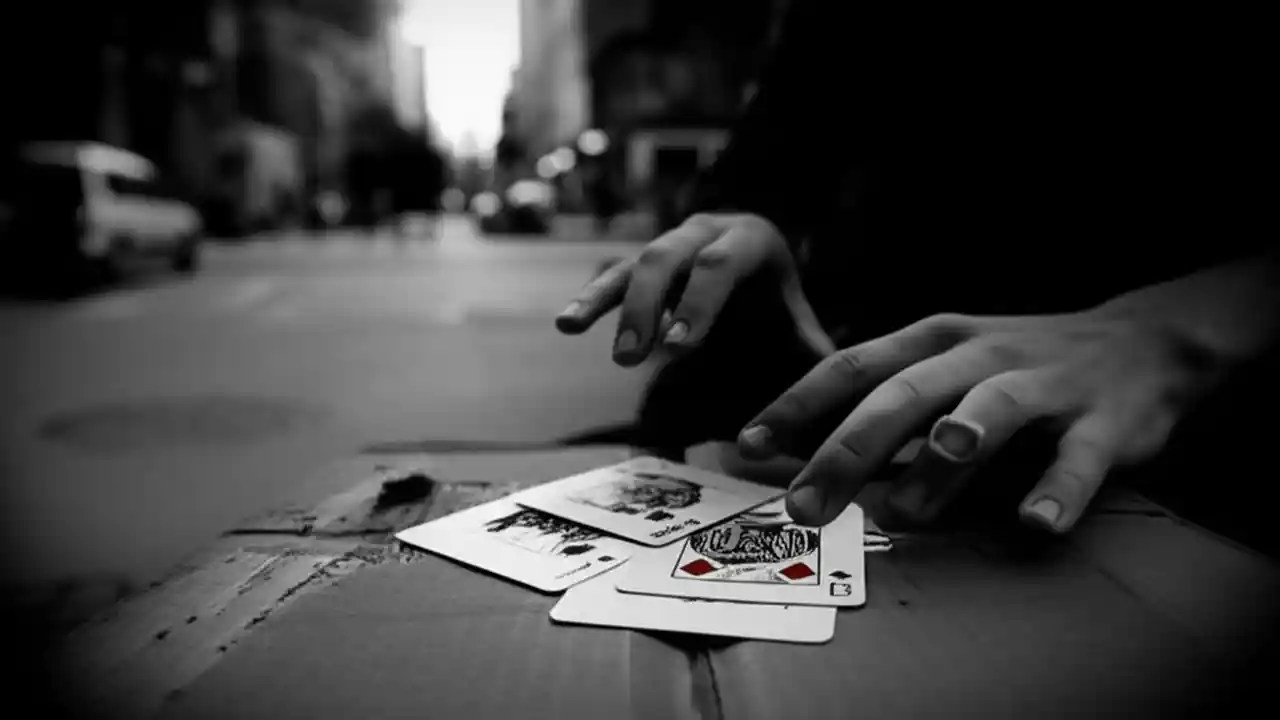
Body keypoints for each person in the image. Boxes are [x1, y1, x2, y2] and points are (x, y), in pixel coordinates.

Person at [555, 3, 1276, 539]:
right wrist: (742, 248)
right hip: (832, 433)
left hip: (1179, 463)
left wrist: (1187, 326)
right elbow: (764, 171)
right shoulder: (827, 28)